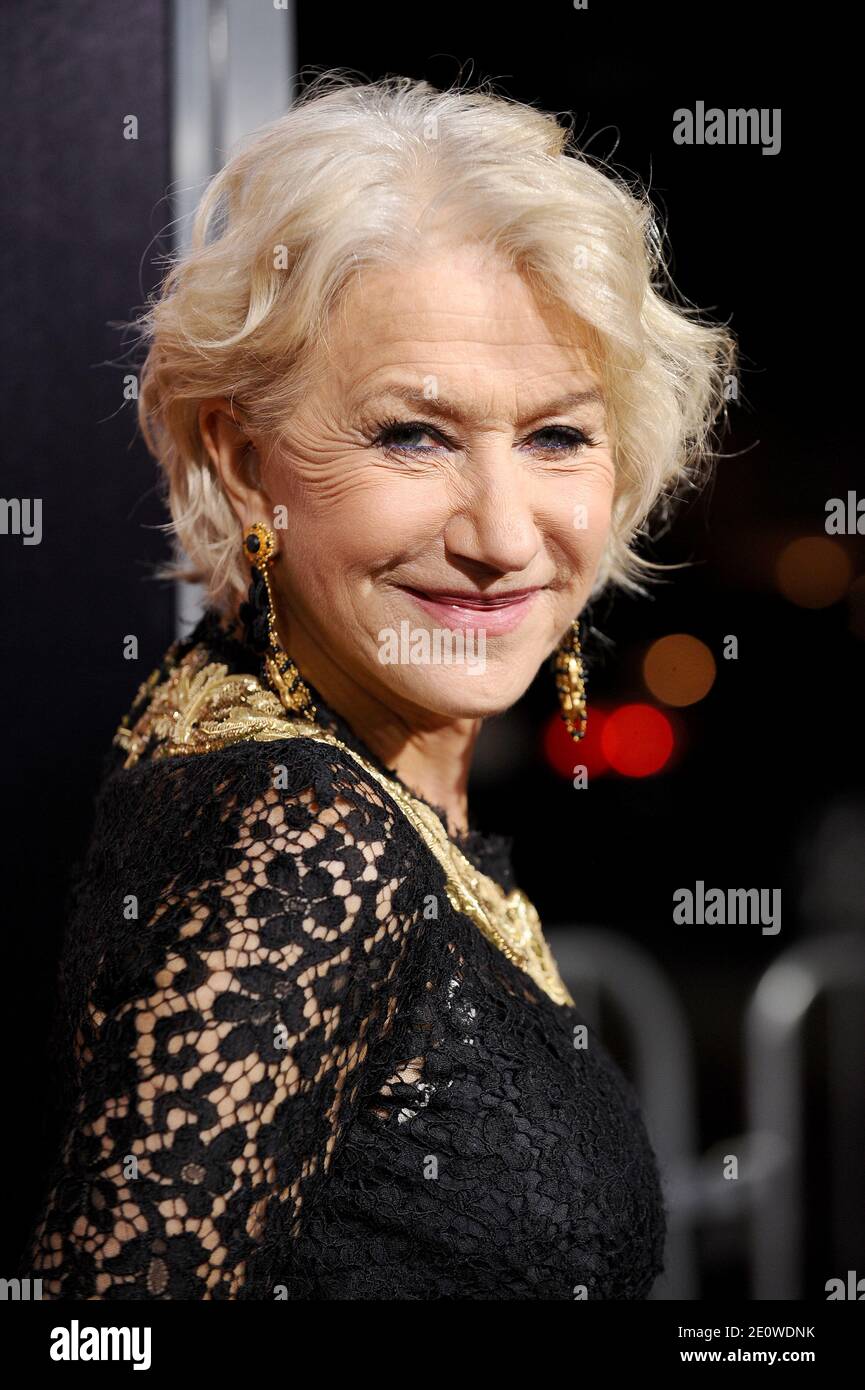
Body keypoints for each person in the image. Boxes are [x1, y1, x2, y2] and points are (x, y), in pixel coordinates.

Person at [20, 72, 734, 1299]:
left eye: (557, 434)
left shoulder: (332, 771)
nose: (504, 536)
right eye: (415, 434)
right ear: (243, 465)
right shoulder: (304, 839)